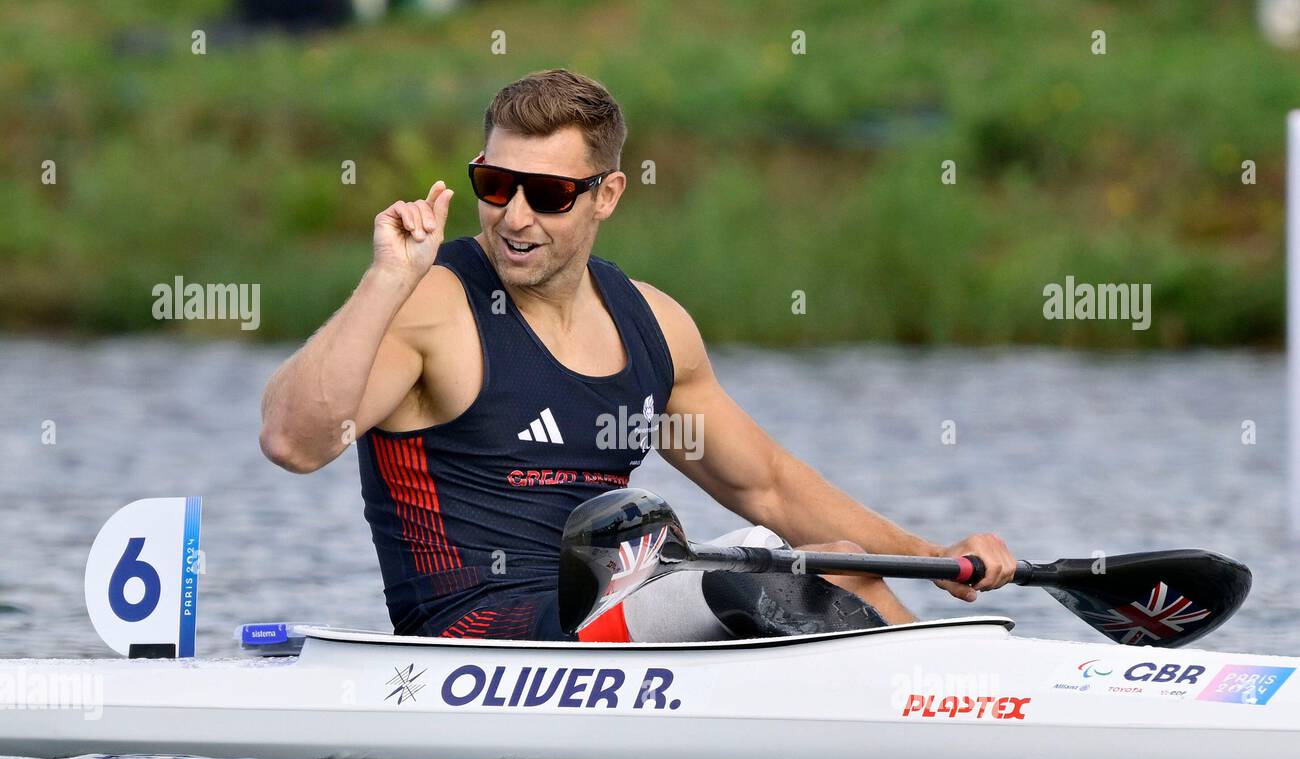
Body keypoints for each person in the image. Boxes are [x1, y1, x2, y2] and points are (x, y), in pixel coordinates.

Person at [259, 68, 1015, 641]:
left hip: (618, 619)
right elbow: (294, 441)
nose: (514, 217)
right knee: (799, 573)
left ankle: (958, 692)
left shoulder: (654, 324)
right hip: (475, 644)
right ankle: (950, 706)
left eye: (547, 193)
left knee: (834, 559)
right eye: (494, 185)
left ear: (606, 194)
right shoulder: (430, 306)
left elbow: (772, 490)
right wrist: (386, 279)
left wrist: (931, 552)